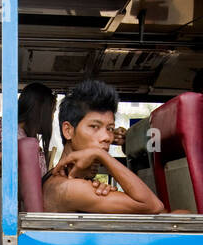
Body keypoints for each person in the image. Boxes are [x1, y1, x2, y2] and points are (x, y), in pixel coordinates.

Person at [42, 79, 165, 214]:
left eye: (110, 128)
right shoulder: (71, 188)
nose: (107, 137)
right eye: (94, 126)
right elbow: (154, 206)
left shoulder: (74, 181)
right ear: (68, 130)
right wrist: (100, 154)